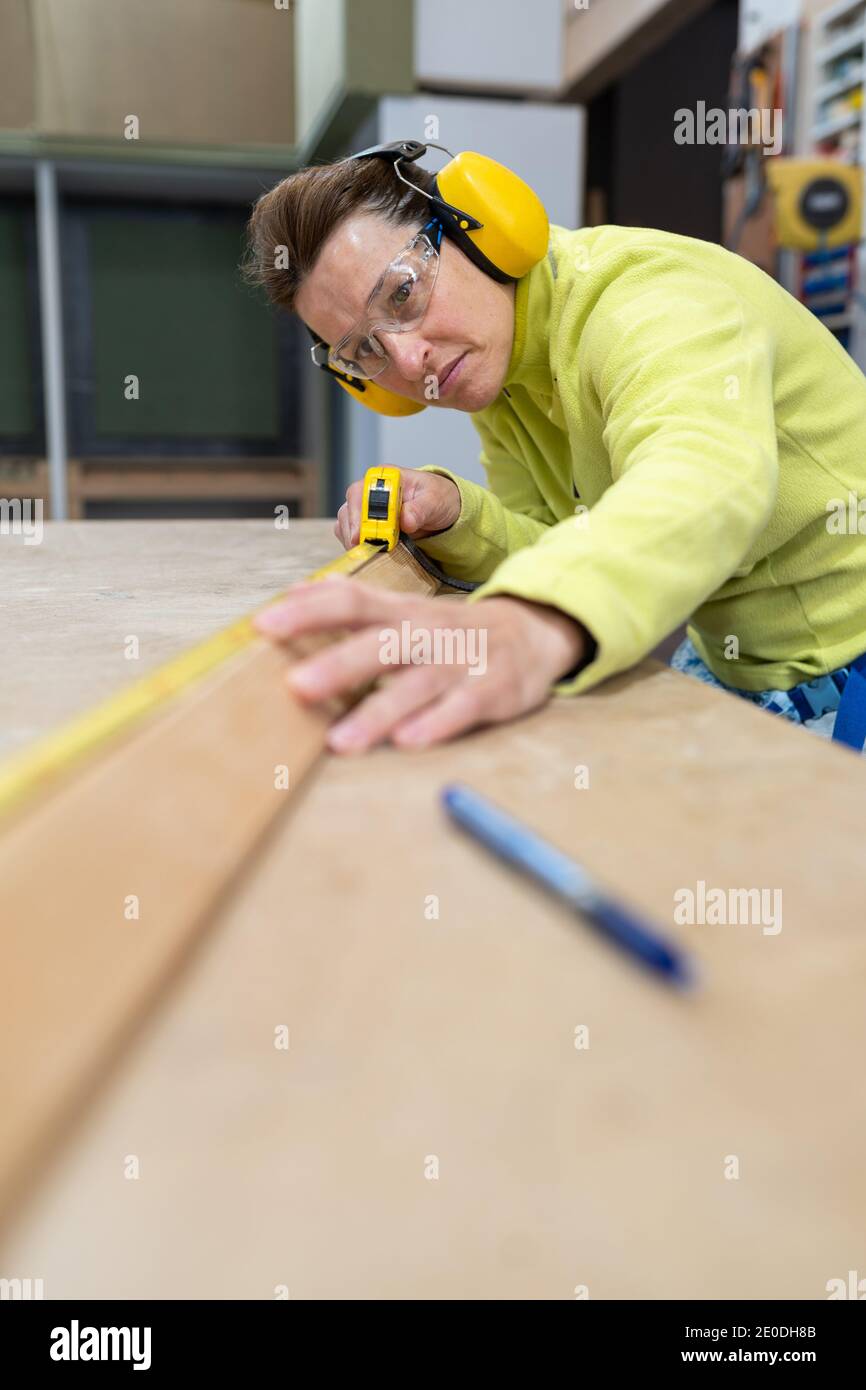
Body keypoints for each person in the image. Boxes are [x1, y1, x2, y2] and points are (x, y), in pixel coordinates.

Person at [244, 146, 866, 754]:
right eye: (366, 352)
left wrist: (527, 621)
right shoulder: (499, 370)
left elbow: (704, 475)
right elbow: (560, 540)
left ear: (476, 227)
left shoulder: (649, 298)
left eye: (402, 294)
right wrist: (458, 516)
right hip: (741, 661)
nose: (409, 360)